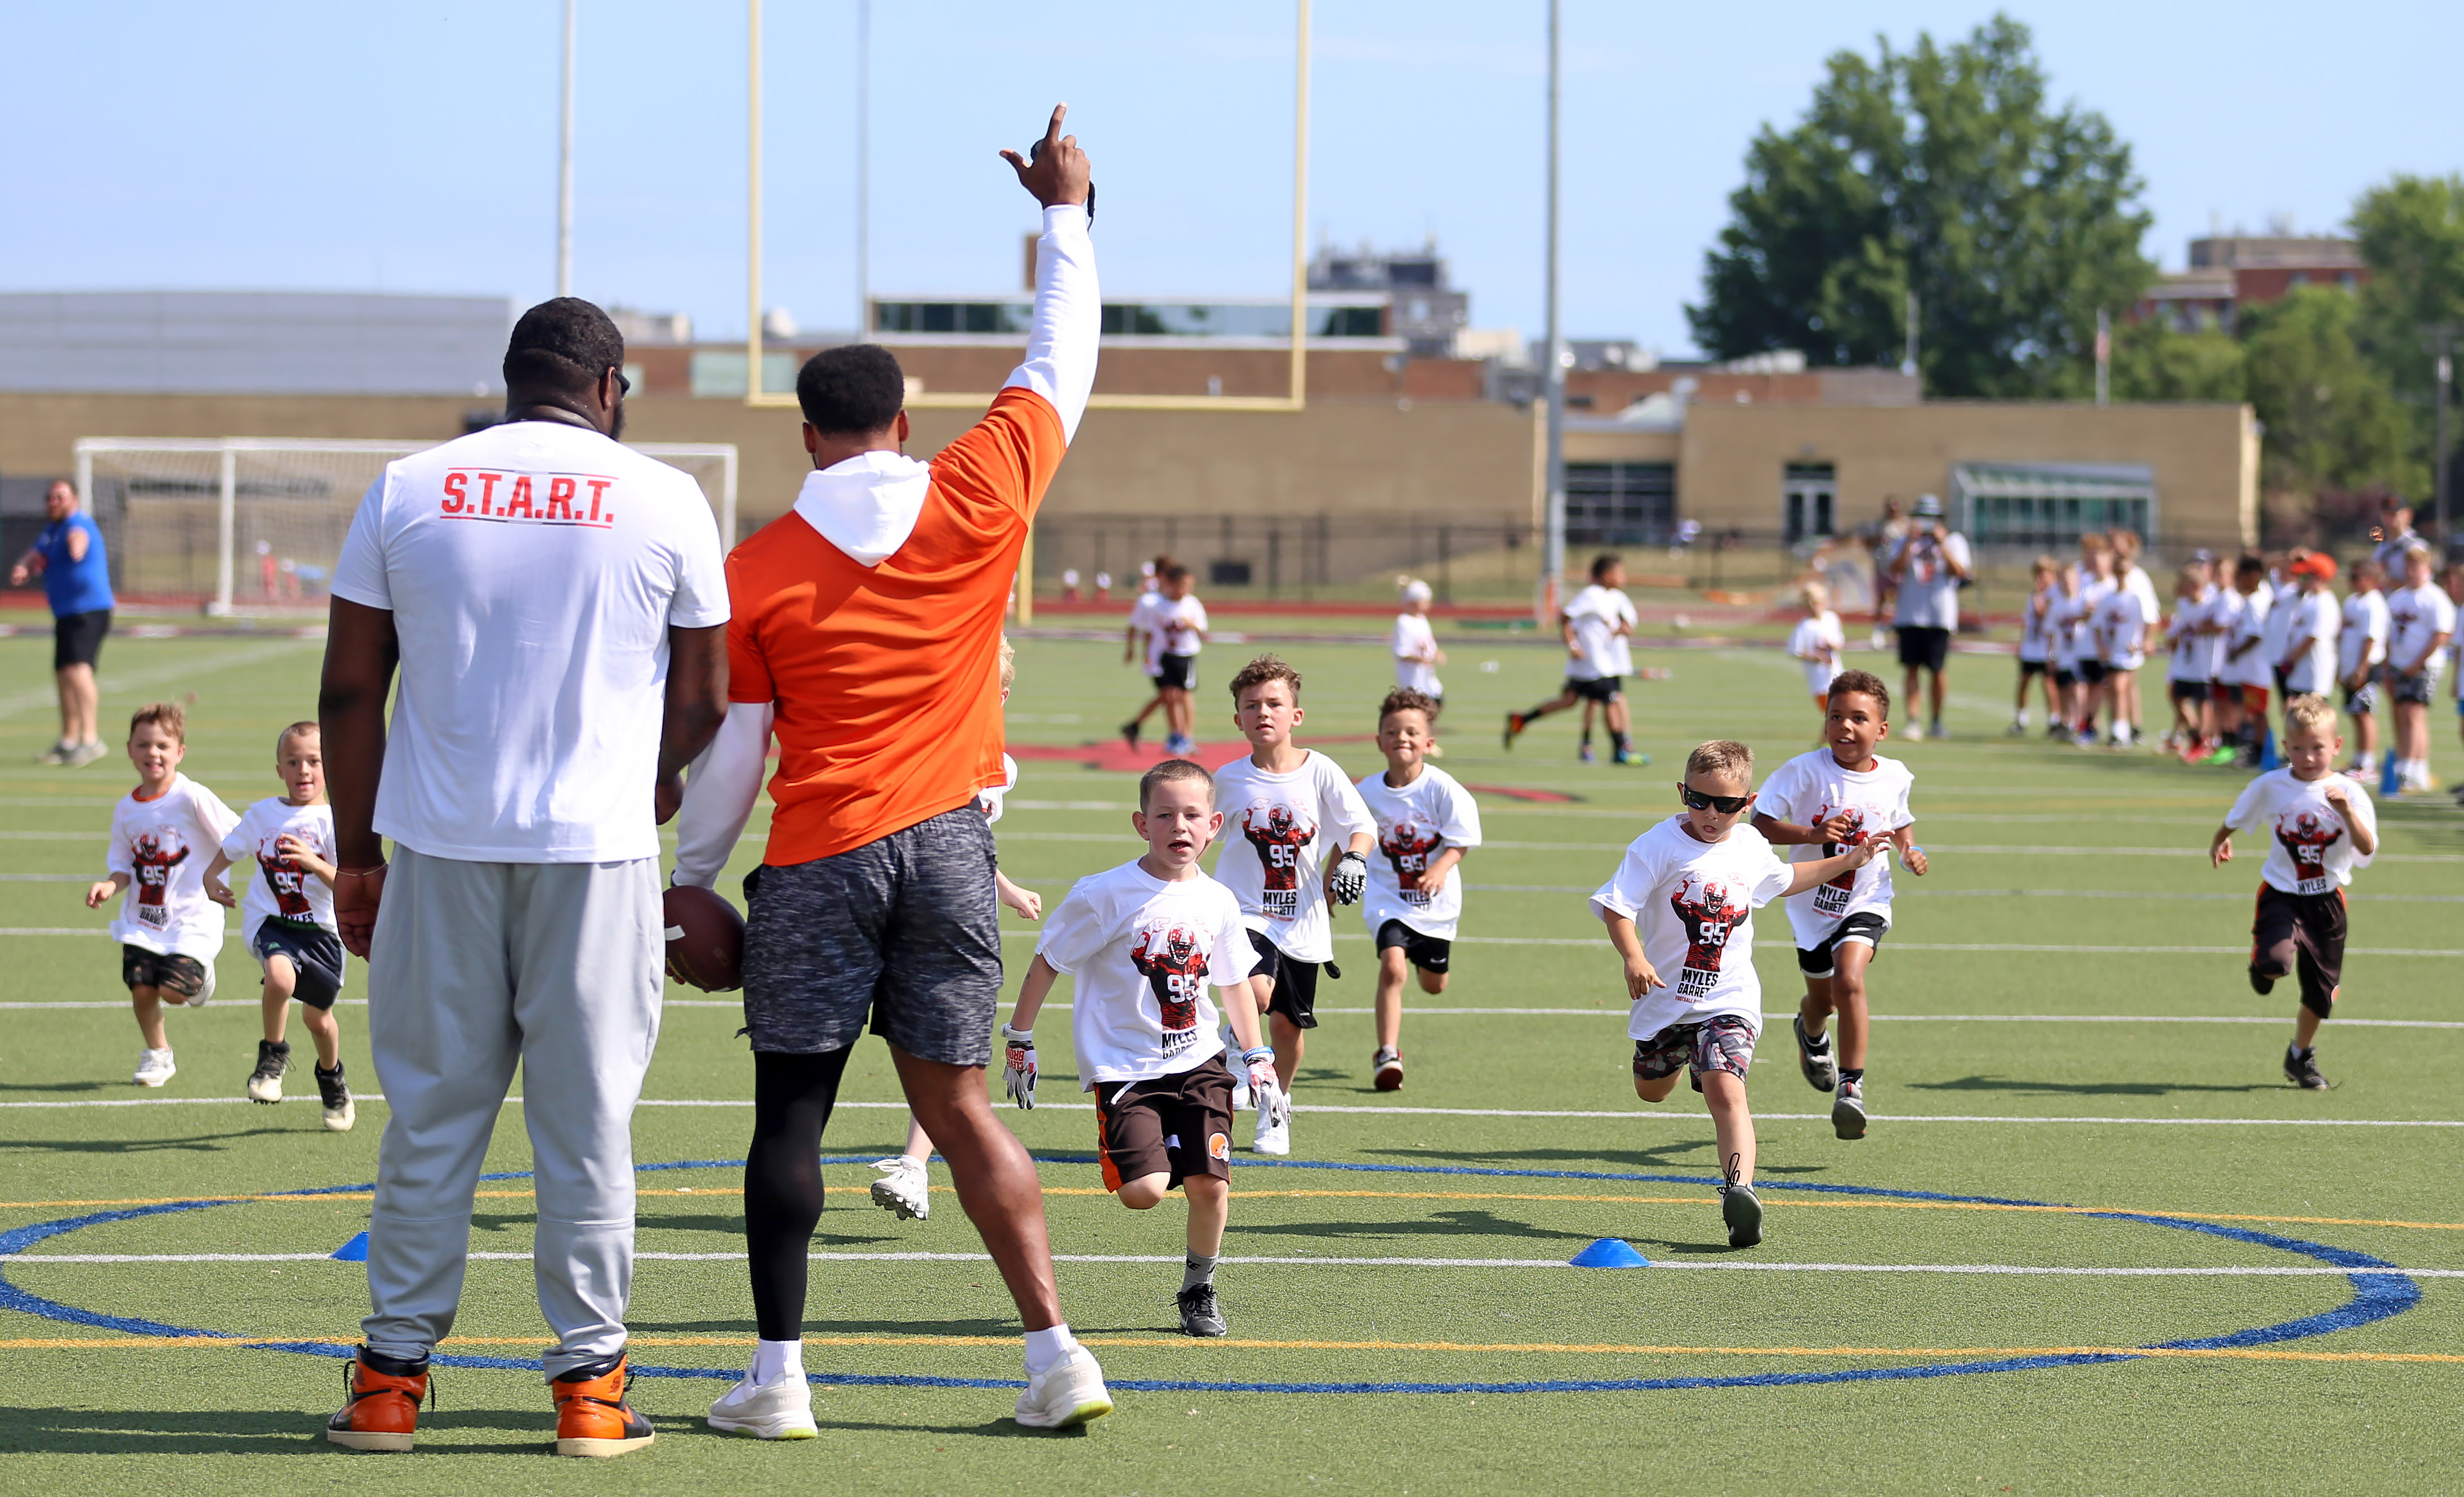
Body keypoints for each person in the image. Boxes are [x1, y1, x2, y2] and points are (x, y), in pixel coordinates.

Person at [671, 106, 1114, 1438]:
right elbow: (1063, 352)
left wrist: (691, 877)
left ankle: (778, 1378)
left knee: (790, 1114)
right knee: (962, 1105)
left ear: (806, 434)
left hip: (818, 852)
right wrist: (1066, 211)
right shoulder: (981, 487)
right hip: (950, 849)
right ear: (907, 421)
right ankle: (1056, 1350)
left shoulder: (755, 565)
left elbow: (739, 748)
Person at [317, 293, 729, 1456]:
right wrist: (649, 781)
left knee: (430, 1119)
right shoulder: (666, 496)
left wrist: (355, 852)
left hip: (440, 846)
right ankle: (590, 1393)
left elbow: (352, 690)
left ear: (512, 382)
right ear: (611, 389)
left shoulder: (410, 485)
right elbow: (702, 697)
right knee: (588, 1125)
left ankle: (388, 1383)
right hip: (596, 854)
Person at [999, 758, 1285, 1338]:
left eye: (1191, 815)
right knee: (1143, 1193)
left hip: (1200, 1061)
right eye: (1164, 815)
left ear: (1214, 826)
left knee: (1210, 1185)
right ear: (1141, 823)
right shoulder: (1104, 893)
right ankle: (1161, 1149)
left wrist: (1257, 1058)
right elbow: (1049, 961)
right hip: (1125, 1068)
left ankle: (1197, 1289)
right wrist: (1019, 1037)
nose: (1179, 826)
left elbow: (1232, 984)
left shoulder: (1219, 902)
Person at [1588, 739, 1879, 1248]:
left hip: (1730, 1000)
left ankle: (1738, 1191)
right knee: (1651, 1090)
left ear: (1747, 804)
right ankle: (1686, 1064)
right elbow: (1618, 906)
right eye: (1699, 800)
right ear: (1682, 792)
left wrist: (1850, 859)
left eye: (1726, 805)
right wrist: (1634, 957)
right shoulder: (1657, 846)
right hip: (1666, 1003)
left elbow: (1787, 878)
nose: (1711, 814)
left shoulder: (1748, 846)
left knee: (1728, 1090)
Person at [869, 640, 1046, 1224]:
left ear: (999, 695)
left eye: (979, 688)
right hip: (889, 910)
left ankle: (914, 1167)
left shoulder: (1001, 768)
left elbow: (969, 849)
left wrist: (1009, 889)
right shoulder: (922, 750)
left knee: (942, 1047)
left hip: (956, 925)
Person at [1211, 653, 1374, 1154]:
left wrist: (1354, 860)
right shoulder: (1228, 778)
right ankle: (1239, 1047)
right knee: (1255, 992)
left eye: (1274, 703)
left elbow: (1361, 825)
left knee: (1286, 1024)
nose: (1263, 712)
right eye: (1252, 705)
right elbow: (1198, 832)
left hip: (1303, 919)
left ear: (1295, 715)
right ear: (1237, 718)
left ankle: (1277, 1106)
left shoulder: (1321, 770)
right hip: (1244, 909)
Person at [1755, 672, 1923, 1142]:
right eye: (1836, 716)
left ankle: (1851, 1087)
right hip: (1810, 902)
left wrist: (1909, 851)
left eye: (1858, 718)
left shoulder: (1895, 775)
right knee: (1822, 1001)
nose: (1845, 727)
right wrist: (1812, 834)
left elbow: (1902, 820)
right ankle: (1810, 1033)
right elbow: (1761, 821)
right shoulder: (1804, 771)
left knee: (1850, 979)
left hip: (1867, 897)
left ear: (1882, 730)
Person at [2208, 694, 2377, 1089]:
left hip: (2328, 901)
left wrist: (2347, 812)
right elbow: (2238, 815)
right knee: (2275, 963)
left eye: (2317, 747)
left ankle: (2300, 1055)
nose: (2308, 756)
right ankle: (2262, 963)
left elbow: (2367, 848)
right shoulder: (2272, 785)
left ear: (2336, 746)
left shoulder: (2350, 792)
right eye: (2298, 748)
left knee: (2322, 995)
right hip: (2282, 892)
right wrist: (2220, 840)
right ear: (2286, 747)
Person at [202, 721, 354, 1130]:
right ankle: (272, 1056)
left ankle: (331, 1077)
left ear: (331, 767)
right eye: (293, 761)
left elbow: (349, 883)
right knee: (279, 977)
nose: (304, 770)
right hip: (272, 923)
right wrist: (211, 876)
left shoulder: (337, 821)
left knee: (318, 1021)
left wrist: (314, 862)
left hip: (322, 932)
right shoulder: (263, 815)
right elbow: (231, 848)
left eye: (314, 761)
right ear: (279, 771)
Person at [86, 701, 237, 1088]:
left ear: (179, 752)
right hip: (143, 919)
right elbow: (122, 864)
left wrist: (214, 875)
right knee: (141, 988)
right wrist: (109, 885)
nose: (153, 752)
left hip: (192, 916)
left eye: (162, 745)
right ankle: (158, 1053)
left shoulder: (192, 796)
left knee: (172, 991)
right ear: (130, 750)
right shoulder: (126, 809)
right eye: (143, 744)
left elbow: (237, 836)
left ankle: (199, 979)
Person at [1354, 687, 1481, 1092]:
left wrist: (1442, 866)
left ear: (1429, 742)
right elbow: (1349, 838)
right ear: (1379, 741)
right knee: (1392, 966)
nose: (1402, 738)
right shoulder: (1366, 793)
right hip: (1387, 898)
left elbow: (1462, 839)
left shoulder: (1442, 789)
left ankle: (1427, 961)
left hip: (1435, 906)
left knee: (1433, 984)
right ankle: (1387, 1052)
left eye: (1412, 732)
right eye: (1393, 731)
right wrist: (1331, 882)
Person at [11, 478, 115, 767]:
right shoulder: (51, 530)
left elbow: (80, 538)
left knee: (79, 671)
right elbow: (35, 553)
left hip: (89, 610)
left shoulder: (77, 524)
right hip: (66, 613)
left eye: (60, 497)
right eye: (50, 498)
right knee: (63, 675)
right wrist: (23, 566)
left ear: (74, 499)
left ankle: (91, 740)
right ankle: (69, 741)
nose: (54, 502)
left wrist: (77, 548)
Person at [1506, 552, 1644, 764]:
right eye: (1619, 572)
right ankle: (1620, 751)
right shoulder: (1592, 595)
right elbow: (1565, 616)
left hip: (1593, 665)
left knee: (1569, 701)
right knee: (1611, 701)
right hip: (1593, 664)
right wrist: (1573, 644)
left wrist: (1620, 630)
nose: (1623, 576)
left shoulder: (1610, 597)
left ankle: (1522, 719)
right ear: (1607, 575)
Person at [1886, 494, 1971, 740]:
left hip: (1939, 615)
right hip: (1911, 614)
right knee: (1911, 668)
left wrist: (1942, 545)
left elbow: (1961, 572)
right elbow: (1895, 570)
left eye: (1931, 519)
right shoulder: (1905, 541)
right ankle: (1913, 720)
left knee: (1938, 669)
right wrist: (1909, 543)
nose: (1927, 525)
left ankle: (1937, 720)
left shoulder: (1954, 541)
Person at [2380, 543, 2456, 793]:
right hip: (2399, 665)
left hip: (2423, 666)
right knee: (2401, 713)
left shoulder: (2434, 597)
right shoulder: (2398, 596)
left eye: (2417, 567)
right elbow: (2389, 634)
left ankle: (2412, 767)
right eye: (2408, 567)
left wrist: (2417, 663)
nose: (2412, 572)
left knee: (2414, 714)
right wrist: (2389, 663)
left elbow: (2441, 634)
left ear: (2428, 569)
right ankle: (2407, 762)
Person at [2217, 553, 2275, 766]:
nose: (2238, 581)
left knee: (2257, 712)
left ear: (2253, 576)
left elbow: (2255, 634)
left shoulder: (2255, 601)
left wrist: (2236, 651)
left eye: (2240, 576)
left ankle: (2258, 753)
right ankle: (2253, 750)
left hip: (2256, 667)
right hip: (2251, 668)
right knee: (2251, 711)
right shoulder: (2257, 598)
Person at [2091, 551, 2151, 749]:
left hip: (2129, 652)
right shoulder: (2108, 598)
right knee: (2114, 690)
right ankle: (2119, 730)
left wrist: (2145, 642)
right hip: (2112, 651)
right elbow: (2097, 626)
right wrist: (2101, 648)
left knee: (2120, 688)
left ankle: (2121, 731)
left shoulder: (2137, 597)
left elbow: (2152, 621)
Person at [1148, 565, 1209, 756]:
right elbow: (1152, 631)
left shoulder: (1192, 604)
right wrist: (1149, 654)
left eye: (1188, 585)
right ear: (1171, 585)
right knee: (1169, 695)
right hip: (1166, 655)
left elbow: (1203, 629)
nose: (1185, 589)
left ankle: (1188, 736)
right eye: (1182, 585)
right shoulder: (1160, 605)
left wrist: (1190, 625)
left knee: (1185, 694)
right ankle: (1175, 734)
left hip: (1185, 654)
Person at [2337, 557, 2390, 779]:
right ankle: (2358, 759)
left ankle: (2368, 763)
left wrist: (2362, 667)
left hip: (2365, 667)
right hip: (2349, 666)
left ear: (2370, 579)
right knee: (2355, 713)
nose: (2352, 581)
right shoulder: (2352, 601)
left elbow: (2371, 638)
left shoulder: (2373, 603)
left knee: (2365, 712)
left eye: (2356, 577)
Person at [1118, 553, 1176, 750]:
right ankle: (1173, 735)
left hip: (1173, 654)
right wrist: (1134, 650)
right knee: (1170, 695)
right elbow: (1136, 626)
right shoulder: (1149, 600)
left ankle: (1139, 727)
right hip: (1158, 655)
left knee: (1172, 696)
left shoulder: (1171, 598)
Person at [2161, 560, 2218, 757]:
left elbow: (2218, 628)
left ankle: (2204, 741)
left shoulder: (2209, 606)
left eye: (2184, 584)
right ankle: (2196, 734)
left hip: (2202, 664)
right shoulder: (2183, 604)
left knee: (2203, 702)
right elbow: (2178, 628)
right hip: (2184, 663)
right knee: (2177, 698)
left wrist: (2204, 628)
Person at [2011, 556, 2059, 735]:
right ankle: (2020, 719)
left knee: (2049, 684)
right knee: (2024, 681)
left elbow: (2042, 615)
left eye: (2044, 573)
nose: (2041, 578)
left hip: (2046, 647)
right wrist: (2019, 644)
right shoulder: (2034, 594)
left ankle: (2054, 720)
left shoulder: (2053, 594)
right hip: (2031, 646)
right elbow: (2027, 620)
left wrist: (2039, 595)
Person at [1787, 580, 1845, 717]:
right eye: (1812, 602)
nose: (1817, 606)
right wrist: (1814, 657)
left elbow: (1840, 642)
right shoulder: (1804, 626)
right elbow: (1794, 651)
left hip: (1836, 673)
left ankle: (1828, 738)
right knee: (1832, 714)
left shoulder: (1831, 619)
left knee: (1839, 712)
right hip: (1819, 679)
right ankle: (1827, 738)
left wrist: (1833, 645)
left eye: (1820, 601)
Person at [1391, 576, 1447, 718]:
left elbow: (1429, 644)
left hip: (1427, 674)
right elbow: (1402, 651)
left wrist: (1436, 654)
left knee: (1437, 701)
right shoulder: (1403, 622)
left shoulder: (1422, 620)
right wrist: (1420, 658)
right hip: (1412, 676)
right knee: (1419, 708)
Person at [1862, 495, 1909, 650]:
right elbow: (1867, 542)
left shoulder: (1906, 525)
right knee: (1881, 601)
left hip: (1900, 569)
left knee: (1903, 601)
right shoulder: (1879, 525)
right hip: (1883, 567)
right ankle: (1878, 632)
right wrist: (1879, 538)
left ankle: (1901, 631)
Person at [2368, 498, 2421, 577]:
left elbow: (2418, 583)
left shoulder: (2416, 546)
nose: (2389, 519)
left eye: (2393, 514)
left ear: (2408, 515)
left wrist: (2384, 580)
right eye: (2386, 514)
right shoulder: (2382, 546)